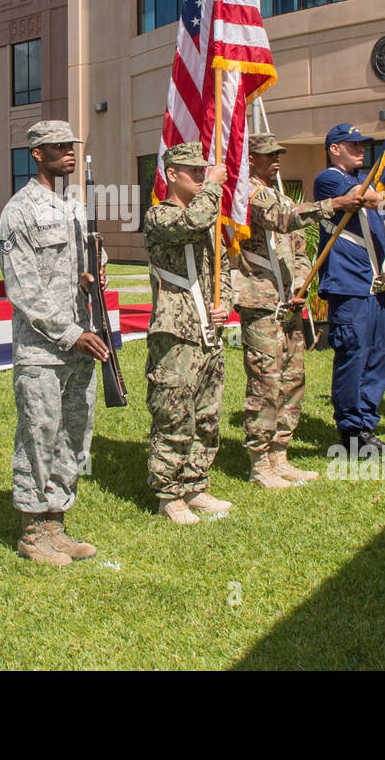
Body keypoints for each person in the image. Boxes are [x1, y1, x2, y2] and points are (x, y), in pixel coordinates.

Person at [0, 120, 108, 566]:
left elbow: (90, 257)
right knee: (39, 433)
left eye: (71, 146)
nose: (68, 153)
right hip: (43, 348)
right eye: (58, 147)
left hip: (82, 340)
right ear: (36, 154)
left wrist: (92, 273)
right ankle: (31, 529)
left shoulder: (75, 208)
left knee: (75, 433)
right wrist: (70, 334)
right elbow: (23, 289)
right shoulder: (18, 211)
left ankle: (56, 522)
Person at [234, 133, 365, 488]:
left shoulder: (277, 193)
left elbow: (298, 247)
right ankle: (259, 462)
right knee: (266, 380)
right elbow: (281, 219)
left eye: (278, 154)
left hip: (288, 300)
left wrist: (302, 283)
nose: (276, 159)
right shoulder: (246, 194)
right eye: (267, 155)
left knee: (292, 380)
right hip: (260, 300)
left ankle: (281, 453)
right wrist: (334, 204)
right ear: (250, 160)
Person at [145, 141, 232, 524]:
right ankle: (168, 493)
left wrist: (223, 303)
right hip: (175, 331)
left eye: (203, 170)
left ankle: (196, 484)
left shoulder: (209, 215)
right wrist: (213, 185)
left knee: (207, 412)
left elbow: (223, 268)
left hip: (207, 330)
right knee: (173, 411)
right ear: (171, 175)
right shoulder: (159, 216)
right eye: (192, 171)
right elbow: (189, 224)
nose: (200, 175)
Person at [312, 124, 385, 456]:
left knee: (379, 355)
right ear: (335, 149)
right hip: (349, 285)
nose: (361, 150)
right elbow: (369, 200)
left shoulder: (373, 185)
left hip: (377, 285)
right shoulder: (330, 179)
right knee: (354, 355)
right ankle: (350, 432)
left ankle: (366, 425)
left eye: (363, 145)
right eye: (352, 145)